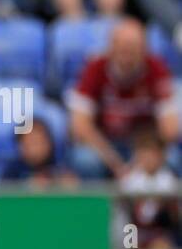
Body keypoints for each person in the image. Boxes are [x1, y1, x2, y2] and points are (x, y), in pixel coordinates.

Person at [68, 18, 178, 179]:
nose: (127, 56)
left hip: (145, 144)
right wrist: (115, 163)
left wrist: (140, 160)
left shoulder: (157, 69)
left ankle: (156, 204)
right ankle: (99, 203)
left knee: (173, 158)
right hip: (105, 144)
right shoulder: (95, 68)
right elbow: (80, 126)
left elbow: (169, 129)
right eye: (122, 48)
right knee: (84, 159)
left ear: (144, 49)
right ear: (111, 47)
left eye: (132, 49)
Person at [0, 117, 76, 186]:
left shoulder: (60, 168)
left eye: (40, 142)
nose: (36, 148)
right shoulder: (10, 172)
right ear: (20, 146)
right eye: (31, 143)